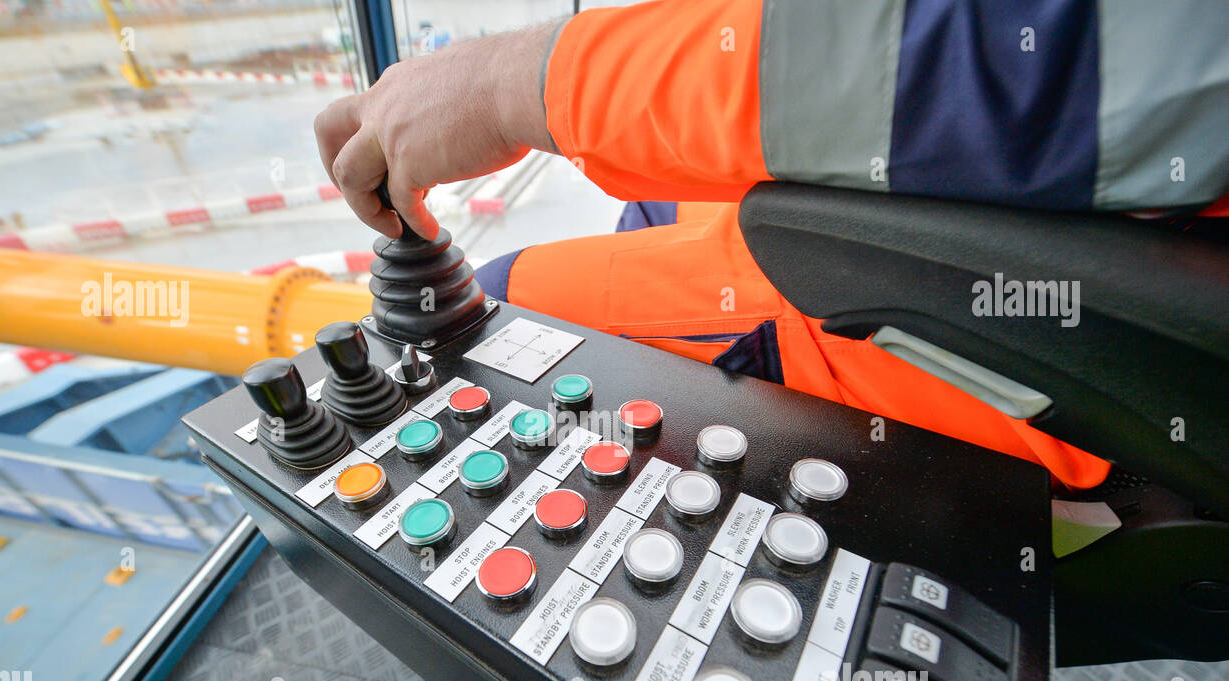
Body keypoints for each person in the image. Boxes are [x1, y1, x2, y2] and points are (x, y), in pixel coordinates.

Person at [314, 0, 1229, 490]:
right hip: (972, 206)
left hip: (986, 315)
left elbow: (1002, 65)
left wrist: (518, 82)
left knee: (501, 314)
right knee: (649, 209)